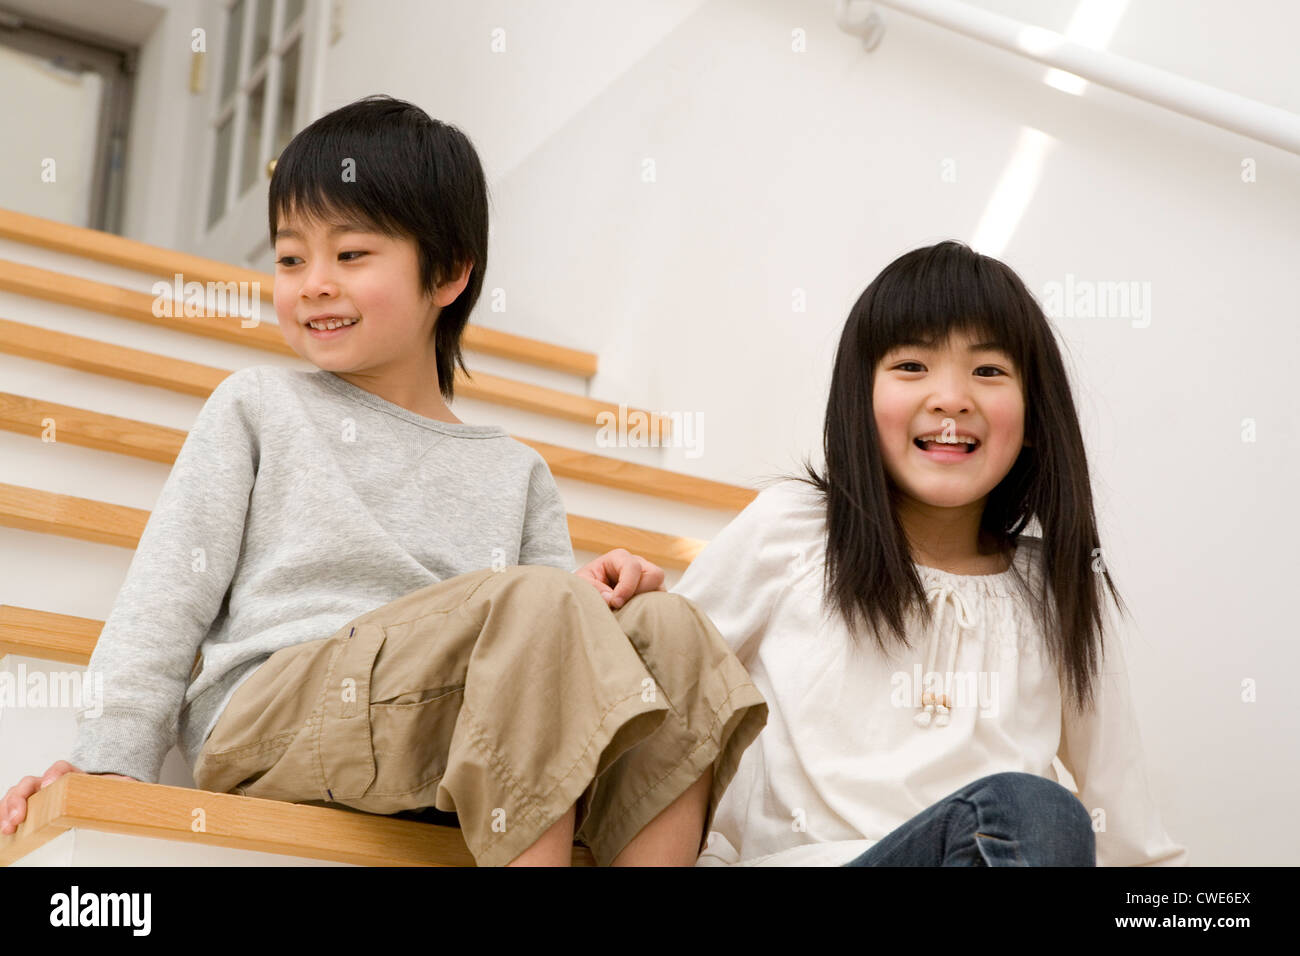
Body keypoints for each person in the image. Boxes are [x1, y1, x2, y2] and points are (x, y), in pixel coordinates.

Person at [0, 95, 767, 867]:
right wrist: (109, 762)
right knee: (545, 603)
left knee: (669, 626)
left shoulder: (515, 470)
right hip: (281, 717)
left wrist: (606, 593)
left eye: (352, 255)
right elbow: (163, 601)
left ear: (450, 274)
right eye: (292, 258)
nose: (314, 284)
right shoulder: (259, 407)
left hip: (446, 737)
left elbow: (554, 657)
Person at [673, 240, 1188, 866]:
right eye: (912, 366)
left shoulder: (1058, 589)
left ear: (1033, 419)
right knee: (1033, 809)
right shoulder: (793, 532)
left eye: (989, 370)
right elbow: (654, 697)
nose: (950, 398)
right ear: (860, 400)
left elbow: (1129, 836)